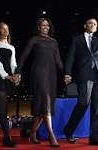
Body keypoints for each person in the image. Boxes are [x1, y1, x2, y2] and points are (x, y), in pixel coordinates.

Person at [15, 17, 63, 147]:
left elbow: (58, 61)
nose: (45, 27)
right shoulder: (34, 40)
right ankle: (51, 136)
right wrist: (18, 71)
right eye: (43, 25)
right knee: (45, 104)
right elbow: (24, 56)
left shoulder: (54, 42)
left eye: (47, 25)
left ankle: (32, 133)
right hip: (38, 74)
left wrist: (67, 73)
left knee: (42, 109)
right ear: (38, 27)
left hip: (51, 76)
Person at [63, 18, 98, 145]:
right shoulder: (77, 39)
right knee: (83, 104)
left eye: (95, 24)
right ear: (85, 25)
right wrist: (67, 73)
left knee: (96, 108)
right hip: (84, 75)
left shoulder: (97, 40)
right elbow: (71, 57)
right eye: (90, 23)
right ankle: (69, 130)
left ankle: (94, 137)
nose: (92, 25)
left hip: (96, 76)